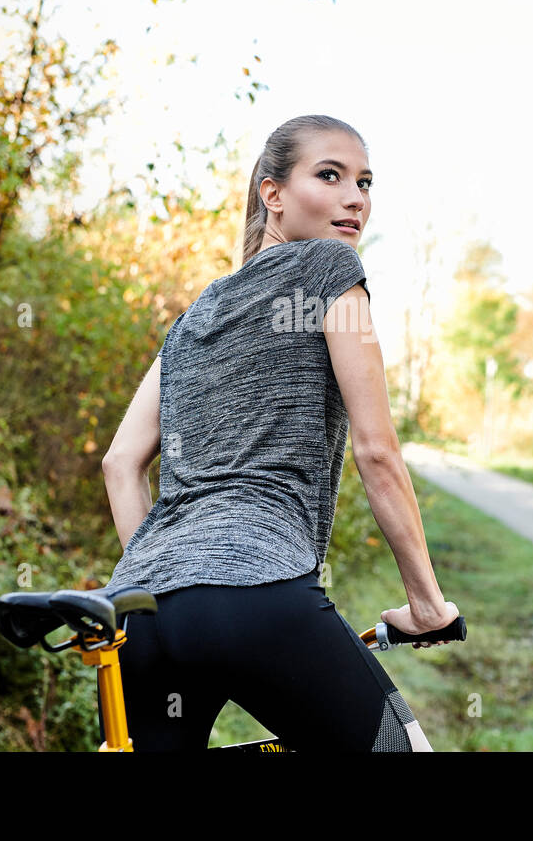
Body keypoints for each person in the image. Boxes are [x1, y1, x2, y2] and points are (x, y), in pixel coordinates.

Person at [100, 114, 459, 751]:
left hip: (141, 611)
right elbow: (378, 452)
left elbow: (121, 462)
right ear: (272, 194)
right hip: (256, 589)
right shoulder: (326, 267)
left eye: (365, 181)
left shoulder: (195, 316)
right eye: (331, 175)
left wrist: (167, 583)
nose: (356, 198)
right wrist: (427, 606)